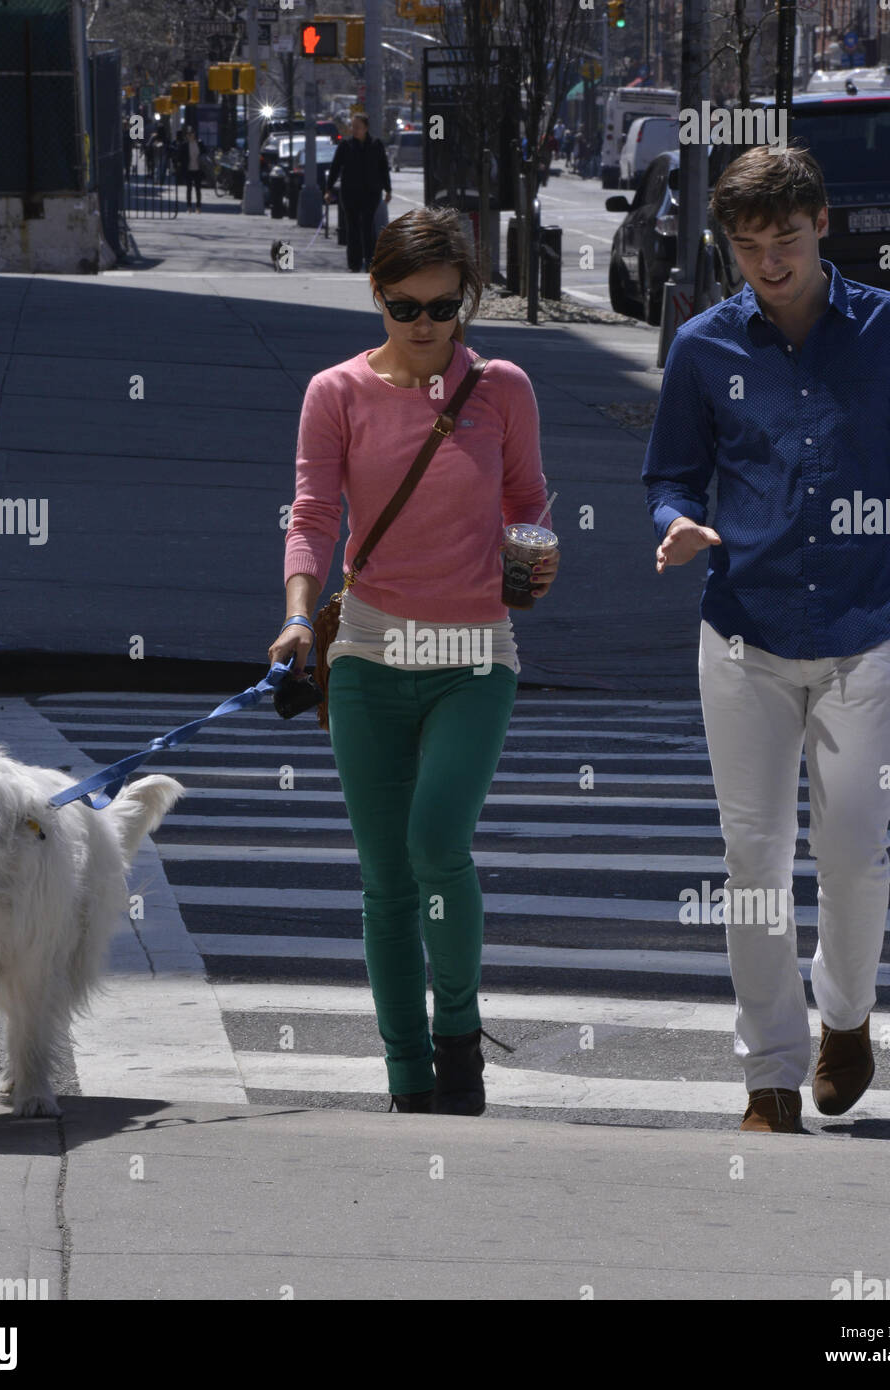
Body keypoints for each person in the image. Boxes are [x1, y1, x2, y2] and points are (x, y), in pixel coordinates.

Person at [642, 144, 890, 1134]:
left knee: (851, 847)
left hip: (863, 629)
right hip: (743, 631)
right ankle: (767, 1072)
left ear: (822, 225)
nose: (769, 263)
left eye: (786, 241)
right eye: (748, 246)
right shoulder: (703, 347)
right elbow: (669, 473)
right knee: (750, 856)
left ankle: (844, 1017)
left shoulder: (887, 329)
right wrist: (672, 521)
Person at [270, 207, 561, 1115]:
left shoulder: (502, 388)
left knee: (438, 842)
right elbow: (314, 513)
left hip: (476, 654)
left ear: (466, 303)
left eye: (444, 309)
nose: (426, 327)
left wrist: (540, 555)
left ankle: (459, 1040)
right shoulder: (336, 393)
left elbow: (529, 503)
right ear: (377, 297)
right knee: (385, 878)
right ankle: (407, 1077)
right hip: (366, 656)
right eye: (405, 308)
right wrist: (293, 615)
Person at [324, 113, 391, 272]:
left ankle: (370, 260)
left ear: (366, 128)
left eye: (358, 127)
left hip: (371, 193)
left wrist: (388, 189)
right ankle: (353, 263)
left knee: (368, 226)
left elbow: (383, 169)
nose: (354, 130)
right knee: (352, 227)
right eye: (352, 127)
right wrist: (328, 189)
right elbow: (335, 168)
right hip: (350, 193)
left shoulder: (376, 145)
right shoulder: (345, 146)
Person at [180, 125, 204, 211]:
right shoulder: (184, 145)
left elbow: (204, 154)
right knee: (189, 189)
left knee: (198, 189)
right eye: (188, 134)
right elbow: (181, 157)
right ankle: (189, 206)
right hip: (188, 169)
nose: (190, 135)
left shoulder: (199, 143)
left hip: (198, 169)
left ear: (194, 134)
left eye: (191, 133)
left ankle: (198, 206)